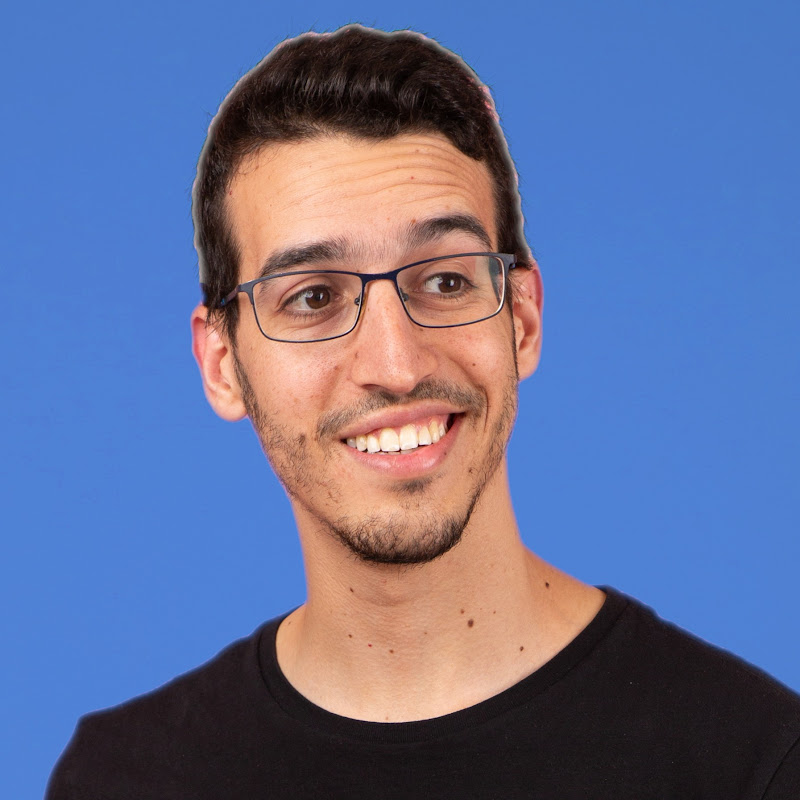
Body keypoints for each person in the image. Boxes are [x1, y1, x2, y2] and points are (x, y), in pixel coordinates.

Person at [47, 24, 800, 799]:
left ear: (522, 319)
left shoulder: (754, 763)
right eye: (313, 296)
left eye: (445, 281)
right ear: (222, 365)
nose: (397, 367)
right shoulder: (124, 779)